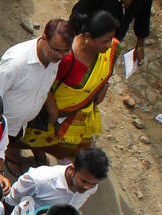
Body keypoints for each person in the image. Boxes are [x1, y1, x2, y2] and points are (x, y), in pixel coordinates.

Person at [19, 11, 120, 159]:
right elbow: (44, 81)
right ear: (87, 37)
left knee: (72, 148)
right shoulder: (66, 58)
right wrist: (52, 110)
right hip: (55, 113)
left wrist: (103, 87)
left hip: (79, 115)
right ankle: (12, 155)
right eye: (105, 41)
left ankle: (39, 150)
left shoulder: (109, 50)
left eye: (110, 39)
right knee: (29, 137)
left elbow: (105, 72)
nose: (109, 45)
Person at [0, 18, 73, 141]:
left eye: (65, 51)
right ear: (44, 38)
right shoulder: (17, 63)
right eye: (56, 50)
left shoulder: (54, 58)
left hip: (18, 128)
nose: (60, 56)